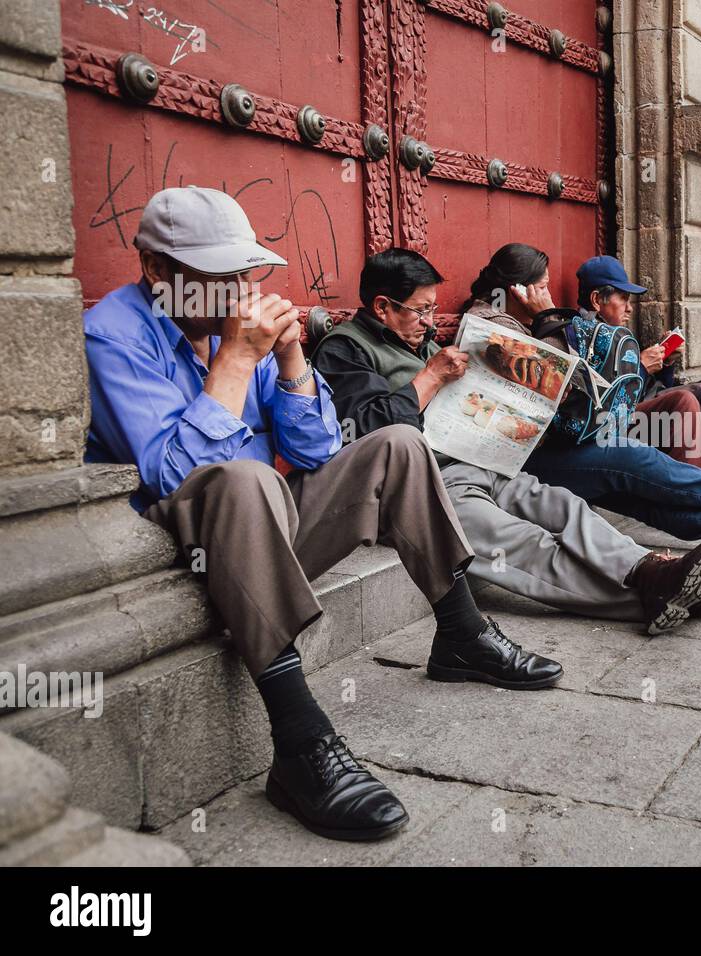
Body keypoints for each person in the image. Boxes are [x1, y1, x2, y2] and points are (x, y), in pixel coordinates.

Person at [83, 187, 563, 843]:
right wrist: (231, 361)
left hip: (271, 529)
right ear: (157, 270)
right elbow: (171, 477)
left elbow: (316, 449)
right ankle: (301, 742)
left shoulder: (247, 332)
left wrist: (288, 359)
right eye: (213, 276)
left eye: (243, 275)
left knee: (397, 444)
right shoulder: (112, 334)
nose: (235, 291)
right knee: (244, 479)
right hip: (190, 549)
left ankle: (460, 633)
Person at [313, 248, 701, 635]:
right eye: (420, 311)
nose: (428, 321)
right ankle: (646, 597)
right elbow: (367, 430)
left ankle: (644, 566)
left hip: (475, 461)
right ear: (383, 306)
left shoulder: (417, 342)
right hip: (420, 489)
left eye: (432, 309)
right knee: (524, 542)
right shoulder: (345, 350)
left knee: (565, 508)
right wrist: (430, 377)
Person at [459, 243, 701, 560]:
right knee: (626, 455)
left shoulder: (514, 322)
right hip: (519, 461)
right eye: (542, 287)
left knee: (634, 495)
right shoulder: (493, 328)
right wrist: (548, 317)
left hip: (538, 448)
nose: (546, 295)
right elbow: (559, 385)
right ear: (520, 289)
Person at [574, 255, 701, 477]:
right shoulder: (579, 334)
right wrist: (641, 368)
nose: (629, 309)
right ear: (597, 300)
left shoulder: (619, 334)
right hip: (607, 427)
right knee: (683, 401)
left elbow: (651, 393)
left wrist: (665, 363)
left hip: (642, 422)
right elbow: (599, 405)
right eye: (623, 299)